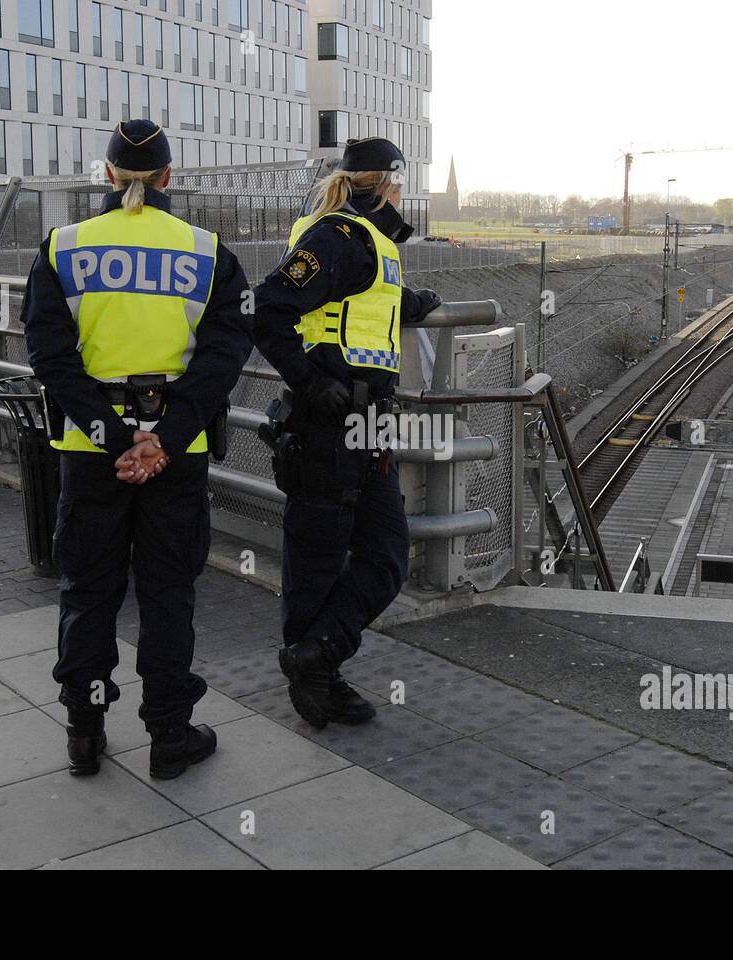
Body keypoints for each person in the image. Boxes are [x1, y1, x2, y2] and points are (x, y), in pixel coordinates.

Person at [23, 120, 253, 779]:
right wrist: (163, 438)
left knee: (88, 589)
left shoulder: (64, 246)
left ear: (106, 174)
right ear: (169, 179)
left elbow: (50, 357)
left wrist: (111, 434)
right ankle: (169, 736)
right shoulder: (208, 252)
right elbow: (224, 354)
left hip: (90, 450)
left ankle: (85, 734)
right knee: (167, 590)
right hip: (174, 455)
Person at [253, 138, 443, 729]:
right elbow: (266, 310)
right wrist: (310, 383)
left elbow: (362, 301)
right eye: (400, 183)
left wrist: (412, 301)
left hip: (368, 422)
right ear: (388, 182)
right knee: (316, 558)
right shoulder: (335, 238)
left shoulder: (370, 245)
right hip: (327, 422)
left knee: (386, 555)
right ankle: (320, 675)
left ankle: (317, 653)